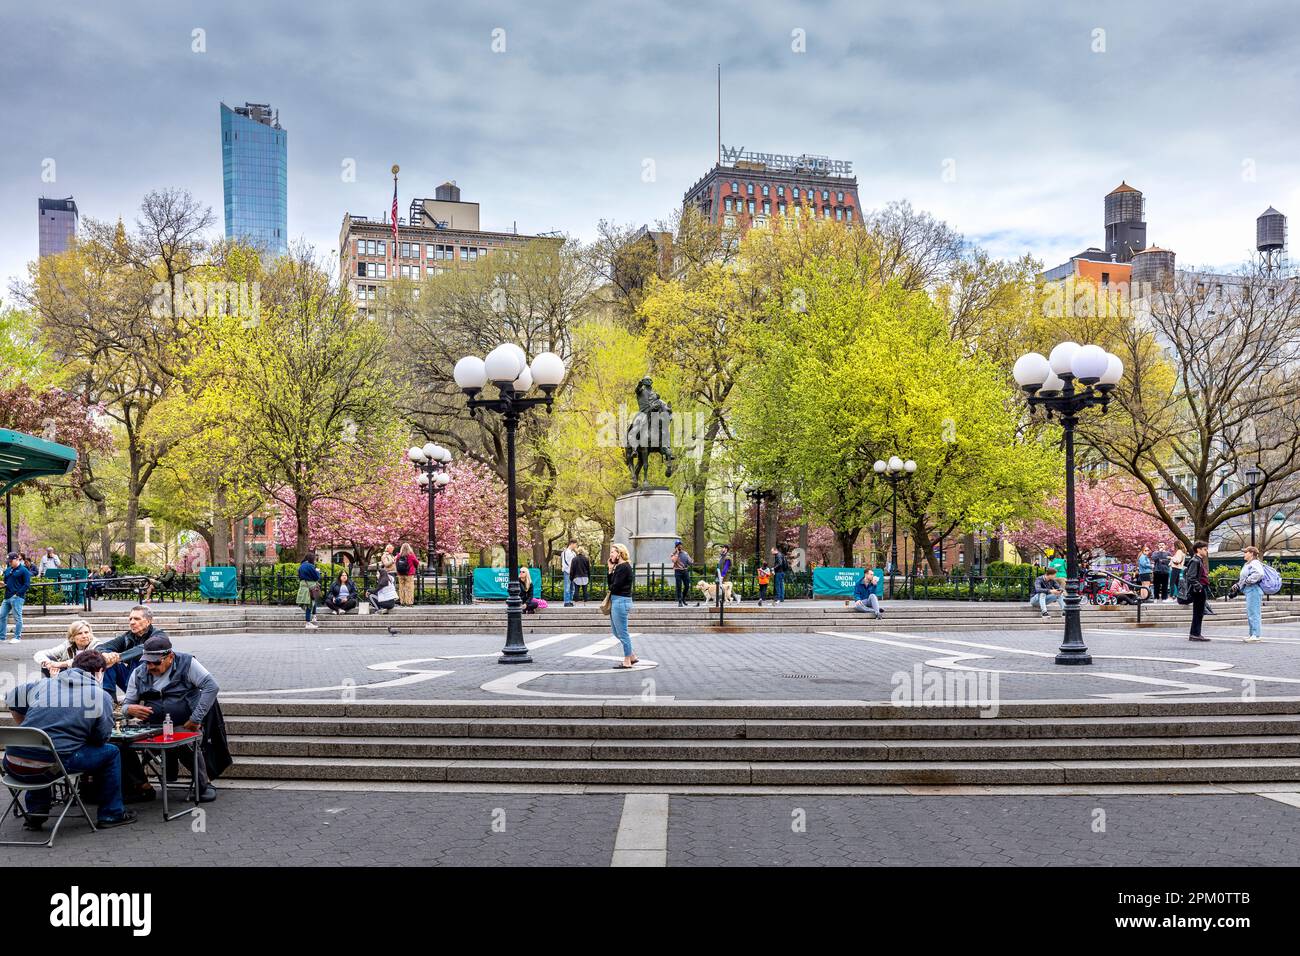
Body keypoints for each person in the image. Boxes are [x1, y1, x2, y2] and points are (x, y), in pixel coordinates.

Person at [3, 649, 137, 831]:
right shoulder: (99, 696)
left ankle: (36, 812)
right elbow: (101, 738)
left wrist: (25, 729)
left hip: (11, 764)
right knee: (111, 752)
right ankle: (111, 813)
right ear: (100, 672)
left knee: (41, 748)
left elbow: (11, 698)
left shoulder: (44, 684)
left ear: (73, 667)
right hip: (48, 768)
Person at [121, 635, 220, 803]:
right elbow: (126, 705)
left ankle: (204, 784)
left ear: (170, 657)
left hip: (185, 724)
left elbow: (212, 687)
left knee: (184, 740)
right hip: (152, 726)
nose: (150, 666)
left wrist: (196, 719)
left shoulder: (187, 663)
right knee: (120, 745)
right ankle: (142, 786)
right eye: (147, 662)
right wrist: (129, 709)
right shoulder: (138, 673)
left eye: (156, 662)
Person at [34, 619, 101, 678]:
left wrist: (61, 664)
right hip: (69, 677)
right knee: (50, 658)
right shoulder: (67, 645)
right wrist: (47, 663)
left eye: (86, 632)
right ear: (72, 637)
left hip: (89, 678)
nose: (84, 636)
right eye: (80, 633)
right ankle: (49, 688)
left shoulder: (96, 644)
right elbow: (39, 654)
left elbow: (86, 661)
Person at [607, 543, 636, 668]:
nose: (611, 555)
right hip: (618, 600)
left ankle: (627, 661)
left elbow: (613, 587)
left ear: (619, 553)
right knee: (616, 632)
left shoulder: (623, 567)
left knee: (623, 633)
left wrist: (612, 572)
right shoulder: (620, 567)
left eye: (613, 552)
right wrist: (610, 570)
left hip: (620, 601)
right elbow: (612, 584)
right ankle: (632, 656)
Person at [1183, 540, 1211, 642]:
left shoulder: (1198, 560)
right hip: (1198, 590)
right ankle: (1195, 634)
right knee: (1198, 613)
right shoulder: (1195, 561)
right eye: (1204, 549)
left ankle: (1195, 633)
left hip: (1199, 588)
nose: (1206, 551)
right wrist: (1199, 587)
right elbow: (1191, 577)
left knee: (1199, 612)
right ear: (1198, 550)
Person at [1237, 546, 1266, 644]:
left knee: (1254, 613)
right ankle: (1252, 634)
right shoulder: (1248, 564)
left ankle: (1255, 635)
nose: (1244, 554)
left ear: (1251, 554)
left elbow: (1259, 574)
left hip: (1253, 589)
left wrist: (1247, 581)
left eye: (1246, 552)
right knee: (1251, 613)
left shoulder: (1254, 563)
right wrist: (1238, 584)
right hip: (1250, 590)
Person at [2, 551, 32, 643]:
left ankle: (17, 637)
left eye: (11, 561)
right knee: (1, 615)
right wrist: (3, 584)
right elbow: (6, 582)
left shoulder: (24, 570)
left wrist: (18, 594)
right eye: (9, 561)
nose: (9, 562)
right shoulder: (8, 570)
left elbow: (27, 584)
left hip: (17, 598)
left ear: (17, 559)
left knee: (17, 617)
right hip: (7, 597)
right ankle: (1, 637)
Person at [297, 555, 322, 629]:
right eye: (314, 559)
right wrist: (317, 571)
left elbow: (300, 576)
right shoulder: (310, 566)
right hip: (310, 587)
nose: (315, 561)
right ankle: (308, 623)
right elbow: (317, 577)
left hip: (303, 586)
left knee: (311, 602)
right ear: (311, 559)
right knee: (310, 604)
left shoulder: (301, 566)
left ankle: (314, 616)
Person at [671, 540, 692, 607]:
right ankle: (680, 601)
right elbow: (674, 561)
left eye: (680, 544)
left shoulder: (685, 553)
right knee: (679, 586)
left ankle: (683, 598)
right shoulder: (673, 554)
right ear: (676, 546)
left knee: (687, 586)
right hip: (678, 571)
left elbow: (690, 562)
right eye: (678, 545)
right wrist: (677, 553)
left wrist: (690, 561)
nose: (680, 546)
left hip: (685, 571)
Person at [561, 539, 577, 607]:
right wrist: (570, 570)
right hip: (567, 571)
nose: (576, 546)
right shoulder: (565, 552)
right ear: (572, 544)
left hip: (573, 572)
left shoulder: (573, 553)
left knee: (572, 588)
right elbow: (565, 562)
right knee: (567, 587)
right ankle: (566, 601)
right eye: (575, 544)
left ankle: (570, 600)